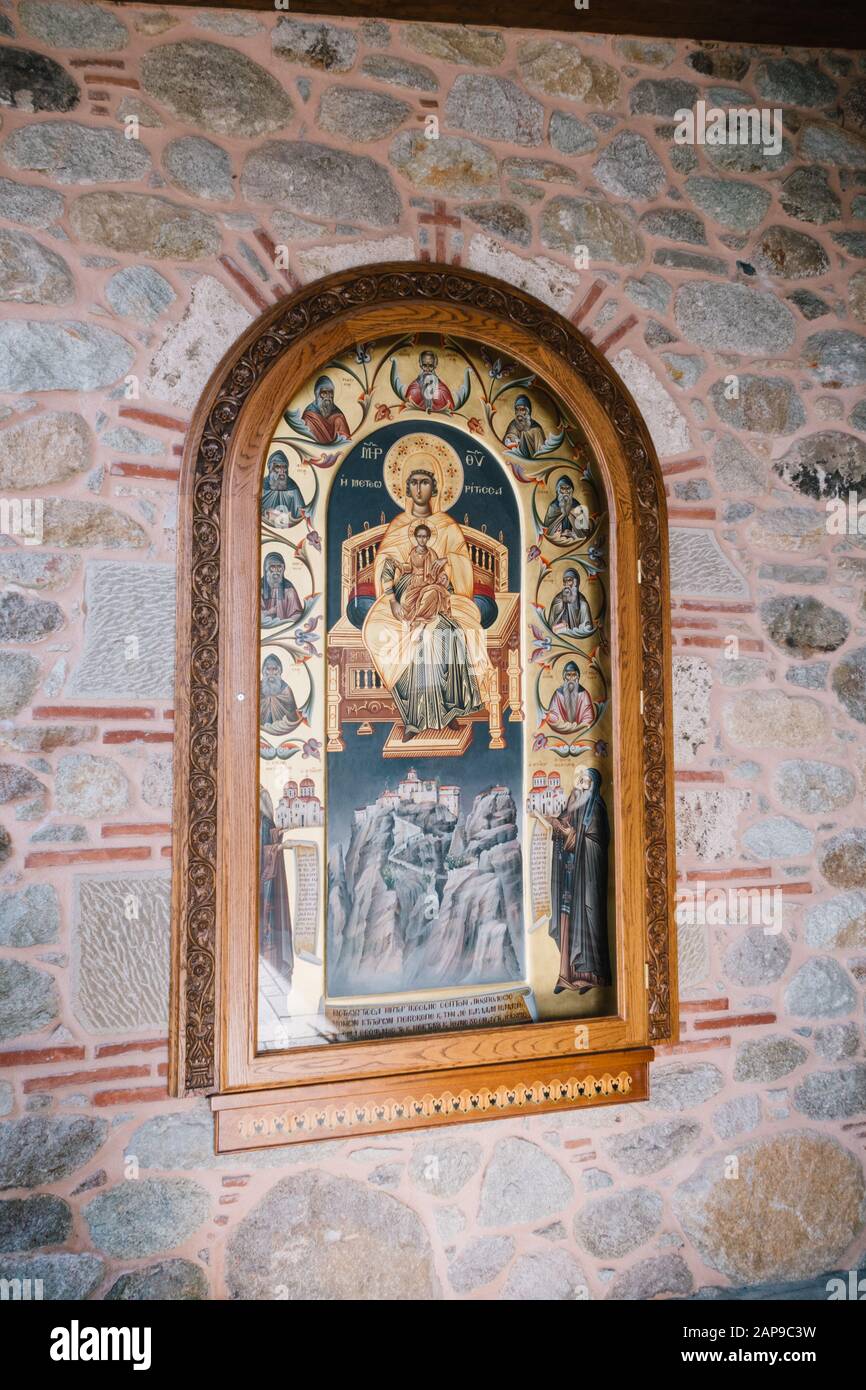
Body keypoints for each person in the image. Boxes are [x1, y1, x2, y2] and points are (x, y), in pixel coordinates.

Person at [363, 448, 485, 736]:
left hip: (441, 595)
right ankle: (414, 718)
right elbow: (386, 565)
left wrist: (445, 567)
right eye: (414, 482)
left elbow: (461, 565)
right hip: (405, 596)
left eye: (425, 481)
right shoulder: (398, 527)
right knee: (386, 632)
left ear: (435, 486)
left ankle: (449, 711)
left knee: (448, 633)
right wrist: (394, 598)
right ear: (406, 487)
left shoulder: (447, 526)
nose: (419, 488)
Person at [547, 766, 611, 994]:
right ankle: (566, 977)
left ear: (593, 787)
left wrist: (572, 837)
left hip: (587, 881)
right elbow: (564, 827)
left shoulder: (597, 809)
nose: (580, 786)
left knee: (586, 921)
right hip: (569, 876)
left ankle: (589, 978)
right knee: (566, 920)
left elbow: (597, 843)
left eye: (585, 782)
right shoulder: (572, 805)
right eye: (579, 781)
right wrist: (558, 827)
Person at [389, 523, 452, 641]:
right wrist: (399, 565)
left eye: (424, 536)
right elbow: (409, 567)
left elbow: (438, 569)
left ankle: (420, 624)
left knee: (433, 593)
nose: (422, 539)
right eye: (419, 536)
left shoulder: (431, 553)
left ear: (428, 538)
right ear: (416, 537)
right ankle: (415, 624)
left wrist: (443, 577)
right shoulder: (412, 552)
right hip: (415, 584)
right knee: (409, 603)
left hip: (429, 582)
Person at [259, 787, 293, 984]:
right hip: (264, 887)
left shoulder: (265, 823)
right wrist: (276, 846)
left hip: (266, 887)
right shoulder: (262, 823)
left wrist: (276, 838)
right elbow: (263, 853)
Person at [543, 661, 594, 733]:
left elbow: (588, 716)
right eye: (568, 675)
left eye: (574, 675)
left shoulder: (584, 694)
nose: (571, 678)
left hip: (579, 730)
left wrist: (581, 725)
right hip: (562, 729)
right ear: (564, 677)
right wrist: (549, 716)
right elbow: (553, 713)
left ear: (578, 677)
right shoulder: (558, 694)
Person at [259, 653, 303, 735]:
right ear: (264, 671)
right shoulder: (258, 687)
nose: (271, 672)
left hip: (284, 732)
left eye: (274, 669)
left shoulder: (286, 691)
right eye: (268, 669)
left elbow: (293, 716)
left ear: (279, 671)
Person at [301, 374, 352, 444]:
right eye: (324, 393)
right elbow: (306, 441)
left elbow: (346, 442)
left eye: (330, 393)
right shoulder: (309, 416)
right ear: (317, 394)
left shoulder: (339, 416)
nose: (328, 397)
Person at [262, 451, 306, 527]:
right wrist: (267, 513)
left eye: (284, 467)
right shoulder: (262, 485)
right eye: (278, 467)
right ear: (270, 468)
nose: (282, 471)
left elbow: (300, 512)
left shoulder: (292, 485)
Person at [261, 551, 303, 628]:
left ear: (283, 568)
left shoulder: (289, 589)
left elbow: (297, 614)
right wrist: (269, 612)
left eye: (279, 567)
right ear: (266, 568)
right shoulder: (258, 588)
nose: (276, 571)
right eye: (273, 567)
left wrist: (285, 624)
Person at [542, 475, 590, 542]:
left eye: (568, 488)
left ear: (571, 490)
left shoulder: (576, 505)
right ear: (558, 490)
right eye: (563, 489)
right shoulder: (553, 506)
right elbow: (546, 528)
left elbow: (584, 527)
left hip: (574, 539)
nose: (565, 492)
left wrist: (573, 532)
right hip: (557, 539)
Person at [548, 568, 594, 637]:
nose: (566, 584)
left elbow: (588, 628)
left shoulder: (583, 604)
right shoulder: (557, 600)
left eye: (569, 580)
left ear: (575, 583)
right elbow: (550, 625)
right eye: (564, 581)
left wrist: (572, 632)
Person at [503, 394, 546, 458]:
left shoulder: (537, 429)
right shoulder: (513, 424)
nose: (519, 413)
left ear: (528, 411)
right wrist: (511, 439)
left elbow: (541, 454)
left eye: (522, 410)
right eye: (517, 410)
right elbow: (509, 437)